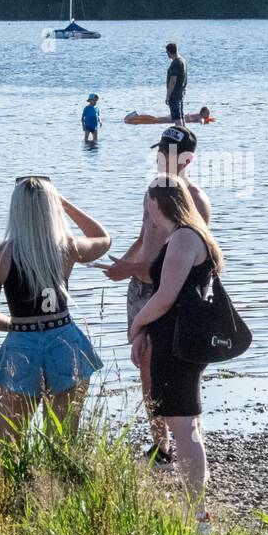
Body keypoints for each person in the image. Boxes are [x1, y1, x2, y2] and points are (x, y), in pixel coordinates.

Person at [0, 178, 111, 467]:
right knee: (62, 442)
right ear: (52, 208)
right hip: (65, 342)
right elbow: (103, 238)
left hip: (21, 347)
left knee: (6, 447)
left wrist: (16, 326)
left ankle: (4, 505)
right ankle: (58, 500)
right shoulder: (67, 246)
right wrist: (64, 203)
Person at [102, 125, 211, 463]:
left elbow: (189, 263)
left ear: (187, 159)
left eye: (169, 153)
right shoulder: (154, 191)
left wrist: (132, 270)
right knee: (144, 365)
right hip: (140, 286)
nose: (161, 157)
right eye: (160, 151)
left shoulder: (193, 199)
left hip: (167, 291)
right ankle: (159, 442)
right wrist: (125, 263)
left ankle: (181, 434)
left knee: (165, 362)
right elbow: (144, 235)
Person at [129, 176, 226, 535]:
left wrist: (137, 324)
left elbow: (165, 296)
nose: (145, 211)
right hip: (177, 340)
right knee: (187, 424)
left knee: (184, 428)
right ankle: (196, 510)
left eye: (146, 204)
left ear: (157, 203)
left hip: (179, 344)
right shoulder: (186, 236)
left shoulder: (185, 238)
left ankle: (199, 516)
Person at [165, 43, 187, 125]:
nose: (167, 54)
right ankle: (185, 134)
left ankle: (180, 134)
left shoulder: (176, 63)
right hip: (181, 92)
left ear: (170, 52)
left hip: (174, 94)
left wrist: (168, 96)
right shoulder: (183, 60)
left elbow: (173, 81)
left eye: (167, 52)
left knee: (177, 118)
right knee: (181, 115)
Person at [123, 107, 216, 125]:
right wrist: (206, 121)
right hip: (174, 118)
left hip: (174, 118)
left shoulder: (198, 115)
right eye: (207, 113)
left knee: (155, 120)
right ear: (203, 112)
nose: (208, 115)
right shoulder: (199, 117)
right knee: (156, 119)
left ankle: (135, 119)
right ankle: (136, 115)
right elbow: (202, 122)